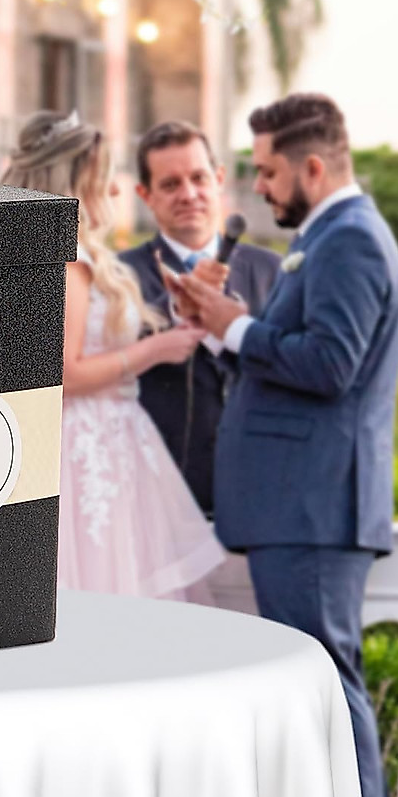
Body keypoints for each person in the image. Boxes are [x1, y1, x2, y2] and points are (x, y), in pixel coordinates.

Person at [176, 93, 398, 797]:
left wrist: (237, 327)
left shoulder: (351, 240)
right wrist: (221, 328)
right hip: (296, 504)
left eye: (269, 171)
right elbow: (292, 363)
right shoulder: (324, 238)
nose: (262, 187)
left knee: (328, 684)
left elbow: (331, 365)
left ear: (312, 166)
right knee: (318, 683)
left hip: (314, 505)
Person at [0, 110, 225, 600]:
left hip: (113, 443)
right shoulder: (70, 262)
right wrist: (153, 350)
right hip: (87, 447)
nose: (116, 190)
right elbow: (64, 373)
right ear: (78, 182)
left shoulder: (72, 255)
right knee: (101, 580)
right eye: (106, 178)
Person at [120, 121, 280, 514]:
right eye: (170, 184)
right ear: (145, 195)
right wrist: (177, 308)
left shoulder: (272, 271)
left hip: (257, 498)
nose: (189, 194)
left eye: (198, 178)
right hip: (154, 500)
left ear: (219, 179)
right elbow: (104, 358)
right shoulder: (118, 276)